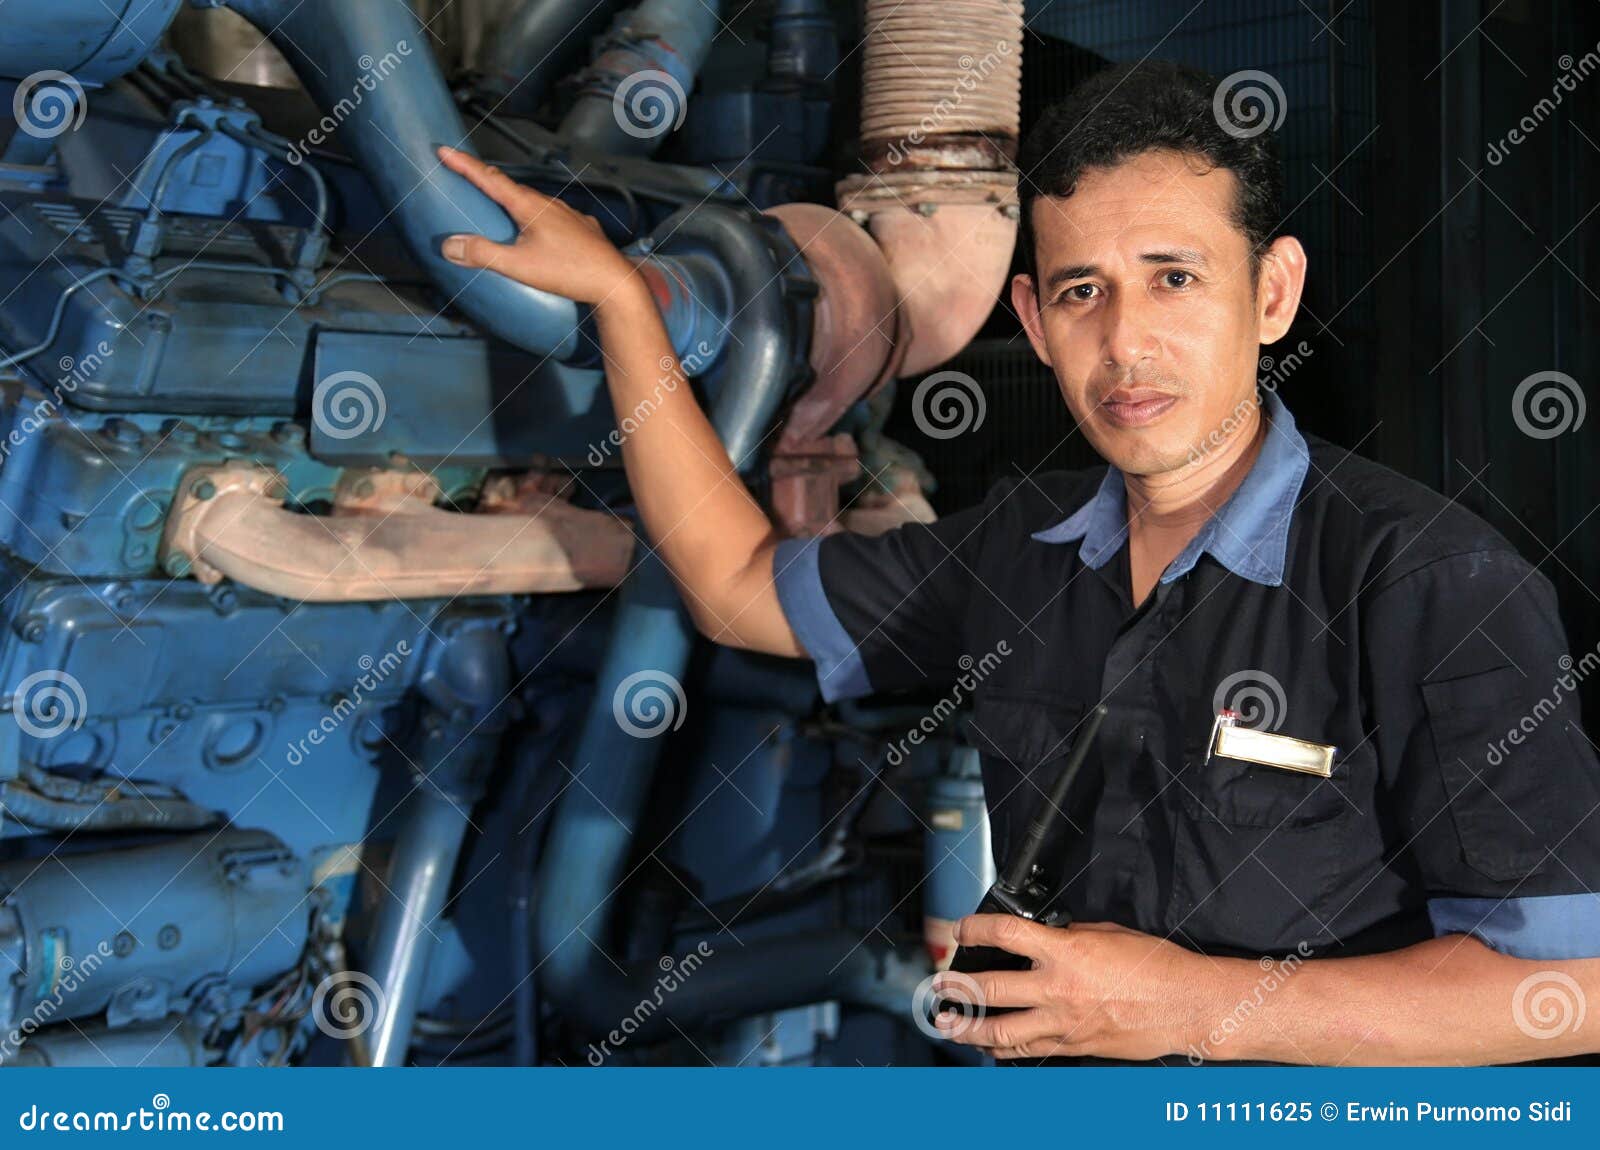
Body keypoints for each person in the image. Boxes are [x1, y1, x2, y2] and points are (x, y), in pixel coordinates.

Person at [434, 59, 1600, 1064]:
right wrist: (621, 305)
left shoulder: (1435, 587)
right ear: (1035, 325)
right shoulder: (1018, 548)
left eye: (1174, 277)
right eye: (1084, 292)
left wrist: (1187, 1004)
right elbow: (738, 586)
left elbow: (1565, 990)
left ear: (1272, 292)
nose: (1125, 341)